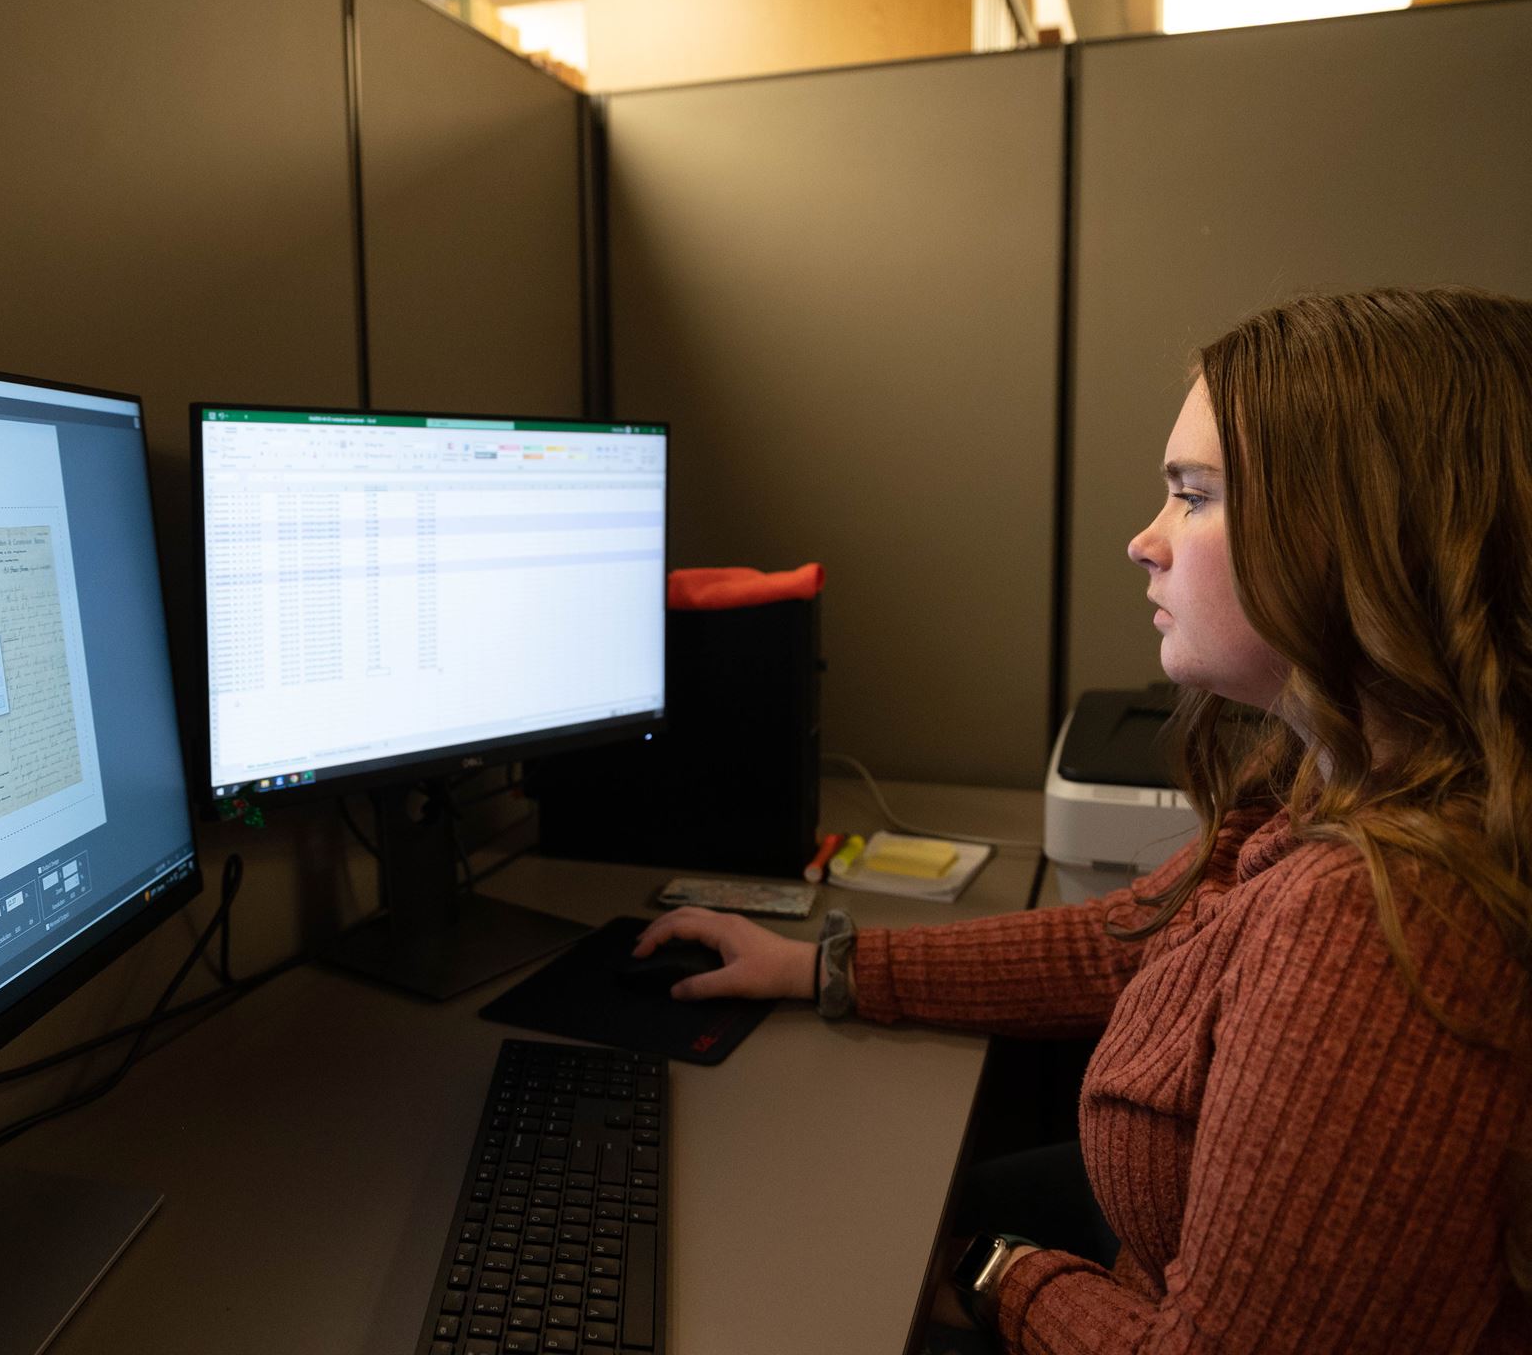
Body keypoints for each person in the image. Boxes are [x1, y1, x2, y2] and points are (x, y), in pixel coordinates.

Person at [636, 287, 1532, 1353]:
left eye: (1194, 498)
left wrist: (1001, 1273)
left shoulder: (1381, 922)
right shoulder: (1336, 787)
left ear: (1363, 542)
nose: (1143, 542)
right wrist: (819, 968)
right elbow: (1128, 938)